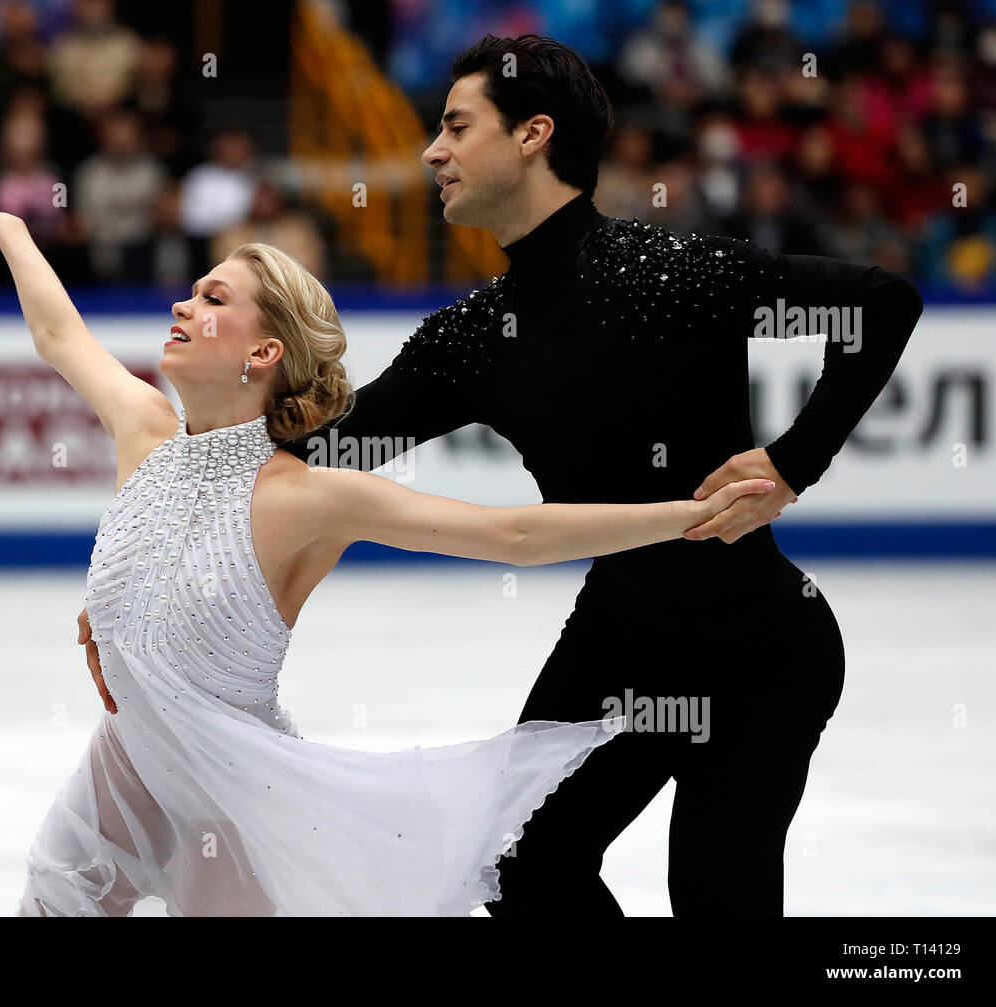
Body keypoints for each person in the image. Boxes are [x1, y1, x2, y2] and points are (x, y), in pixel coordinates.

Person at [82, 34, 923, 916]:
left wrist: (794, 462)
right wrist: (135, 578)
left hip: (764, 653)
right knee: (520, 863)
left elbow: (879, 302)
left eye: (455, 126)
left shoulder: (672, 272)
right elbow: (306, 455)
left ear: (532, 135)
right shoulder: (476, 339)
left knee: (716, 890)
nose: (431, 151)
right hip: (622, 641)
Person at [0, 206, 774, 916]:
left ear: (264, 351)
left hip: (231, 798)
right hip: (121, 768)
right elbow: (59, 332)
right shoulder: (141, 426)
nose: (182, 301)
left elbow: (511, 535)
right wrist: (13, 232)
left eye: (212, 298)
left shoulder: (304, 496)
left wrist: (690, 515)